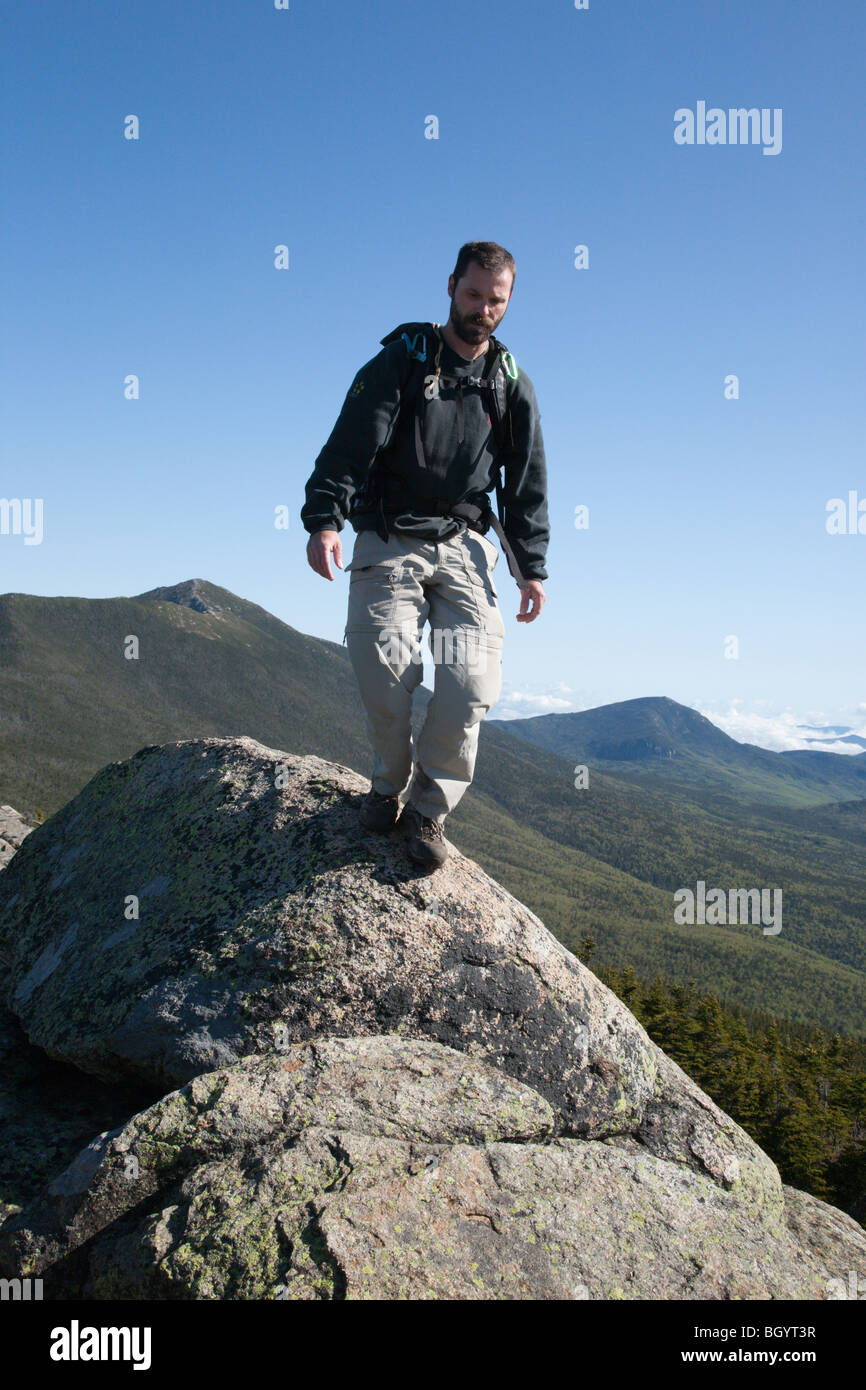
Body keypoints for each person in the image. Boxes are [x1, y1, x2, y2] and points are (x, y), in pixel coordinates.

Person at [301, 240, 550, 871]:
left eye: (496, 300)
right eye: (473, 295)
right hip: (387, 535)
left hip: (466, 546)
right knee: (385, 671)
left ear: (509, 301)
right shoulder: (403, 359)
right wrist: (325, 520)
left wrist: (532, 568)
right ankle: (389, 783)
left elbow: (525, 482)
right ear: (450, 286)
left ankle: (428, 809)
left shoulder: (510, 384)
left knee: (469, 684)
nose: (483, 310)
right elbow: (350, 443)